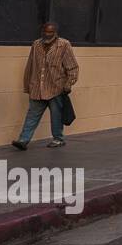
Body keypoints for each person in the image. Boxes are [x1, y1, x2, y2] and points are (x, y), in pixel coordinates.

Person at [13, 22, 79, 151]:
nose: (47, 34)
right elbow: (30, 65)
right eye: (45, 31)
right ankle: (23, 140)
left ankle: (58, 139)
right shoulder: (36, 44)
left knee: (56, 116)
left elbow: (72, 67)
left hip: (56, 87)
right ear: (42, 31)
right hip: (37, 86)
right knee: (32, 115)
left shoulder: (63, 45)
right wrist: (28, 85)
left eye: (50, 32)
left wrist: (69, 83)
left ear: (55, 33)